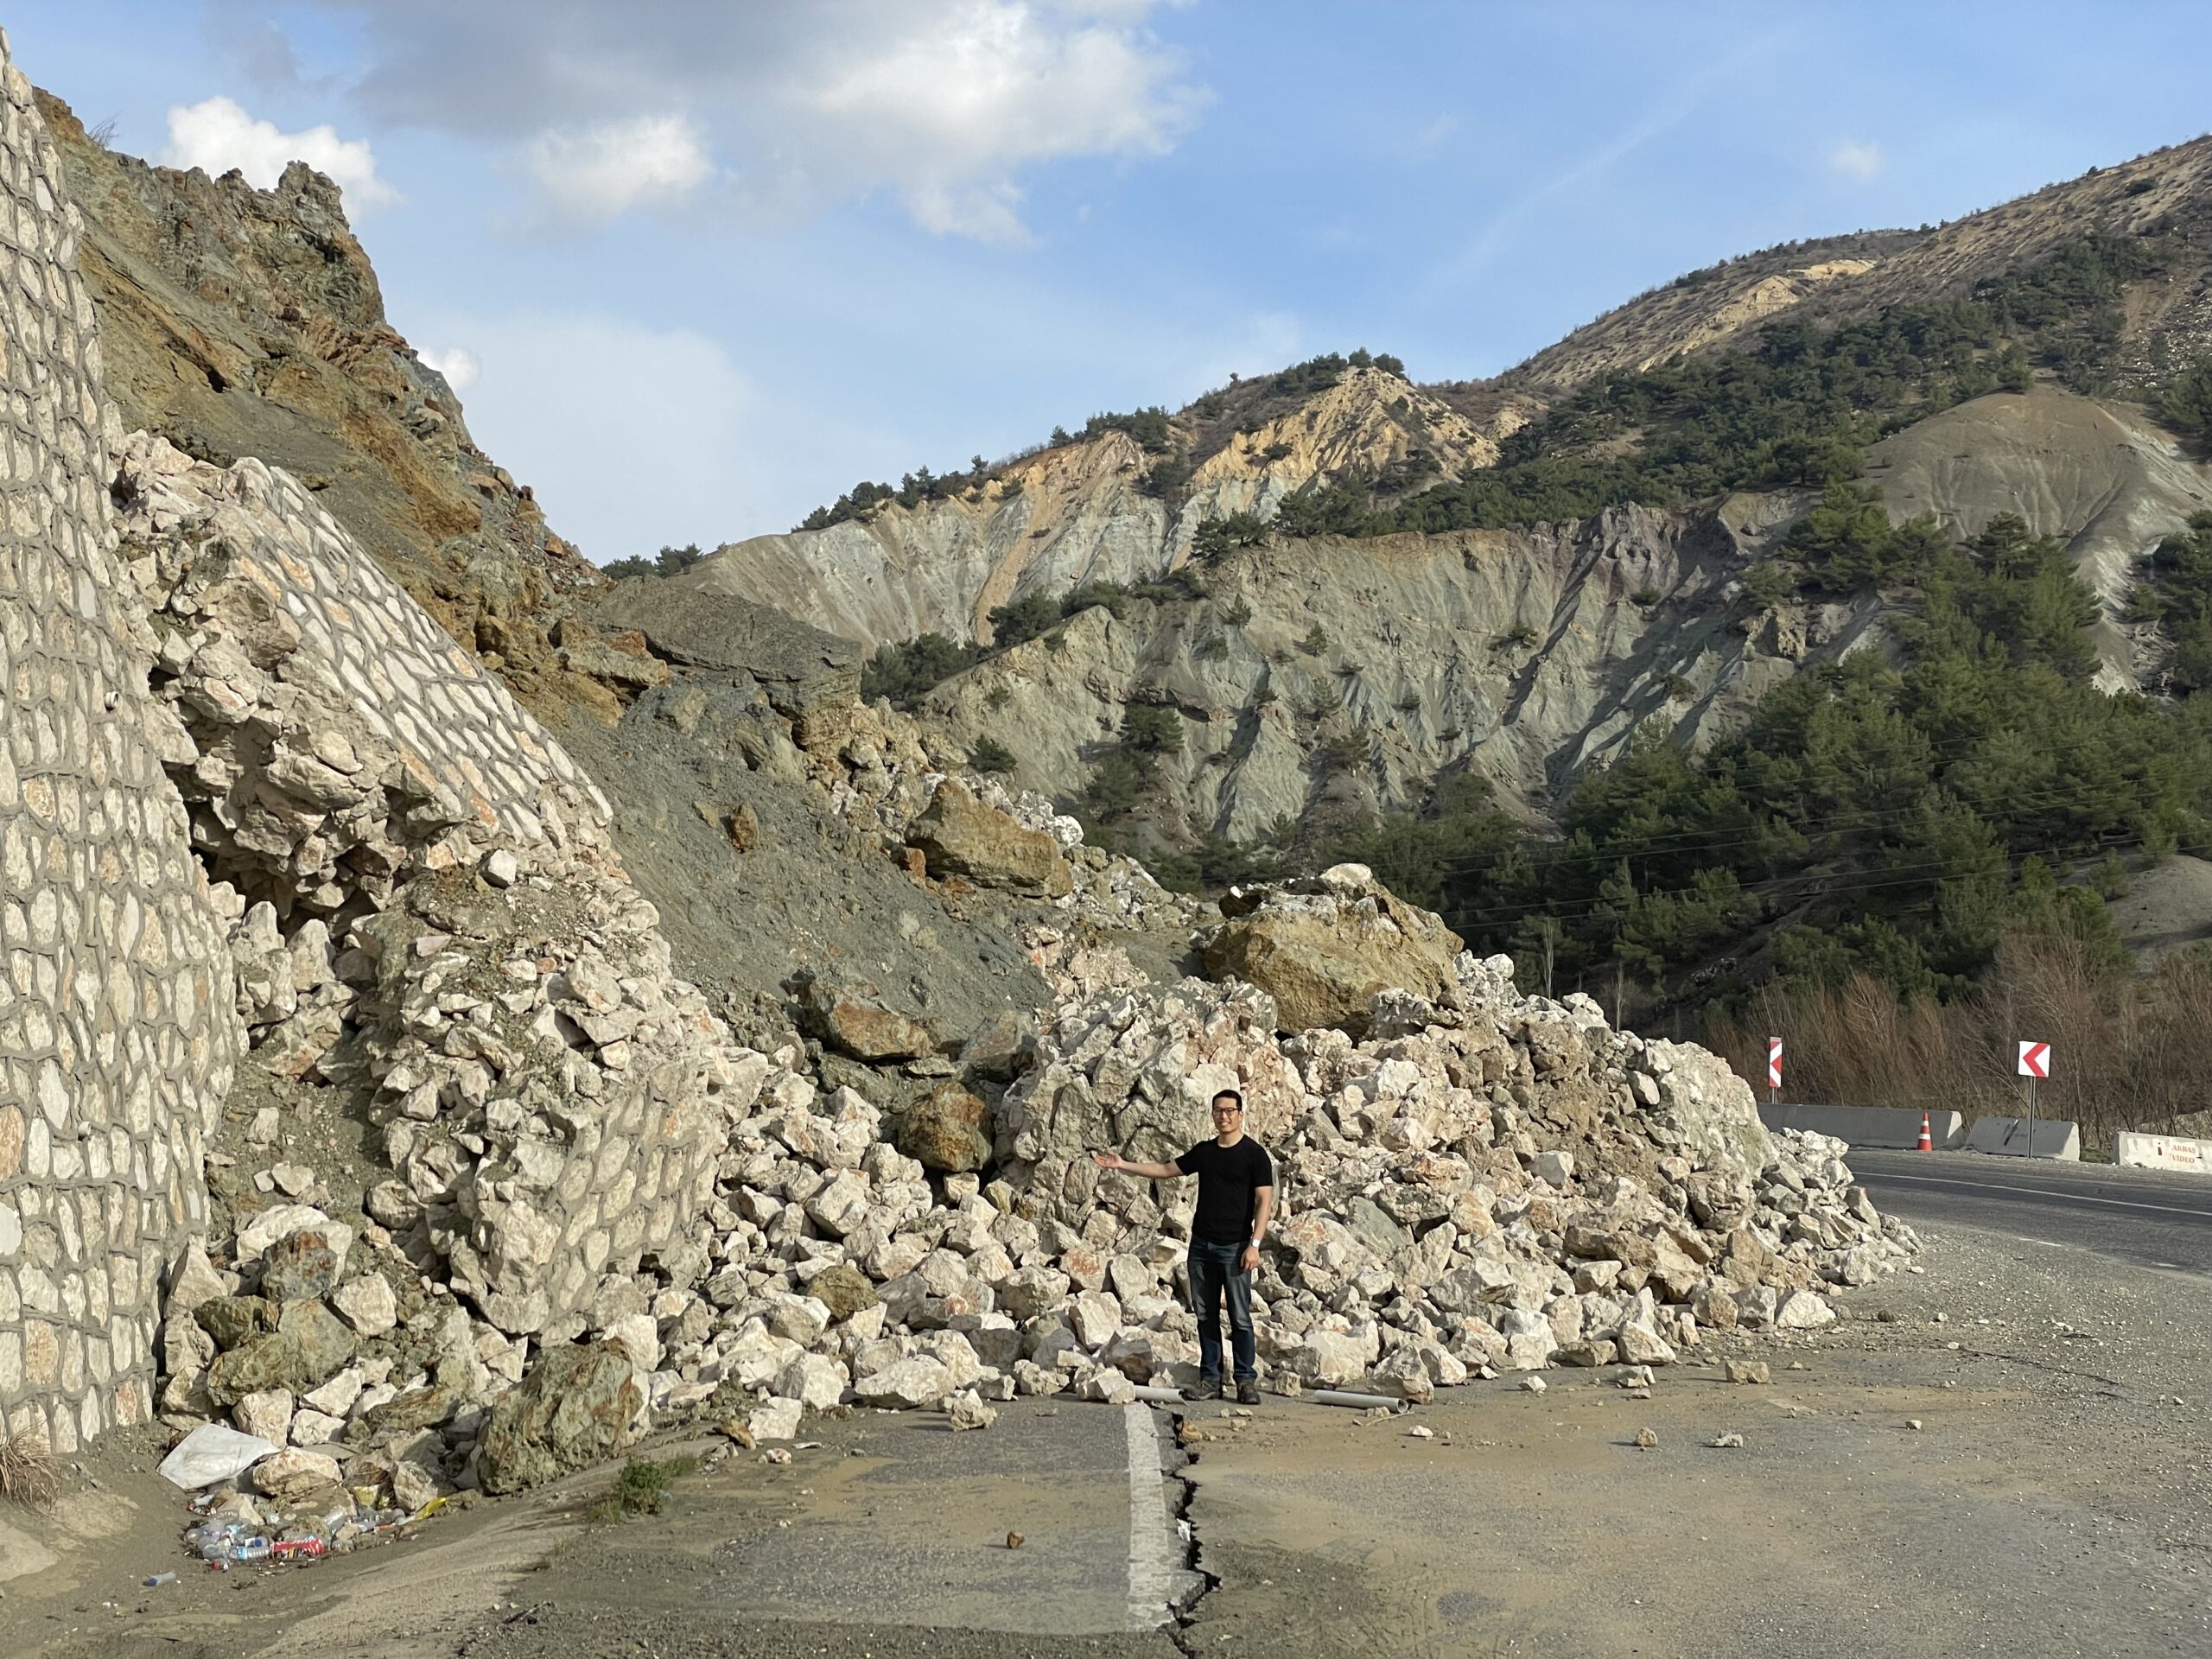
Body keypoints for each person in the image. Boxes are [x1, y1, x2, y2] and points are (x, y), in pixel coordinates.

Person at [1093, 1088, 1274, 1404]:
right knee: (1205, 1316)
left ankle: (1246, 1381)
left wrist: (1254, 1244)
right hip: (1201, 1247)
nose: (1224, 1116)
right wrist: (1122, 1165)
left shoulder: (1254, 1155)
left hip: (1236, 1248)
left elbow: (1264, 1202)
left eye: (1230, 1110)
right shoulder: (1205, 1152)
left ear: (1240, 1114)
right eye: (1218, 1110)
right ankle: (1211, 1380)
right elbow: (1166, 1170)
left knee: (1241, 1317)